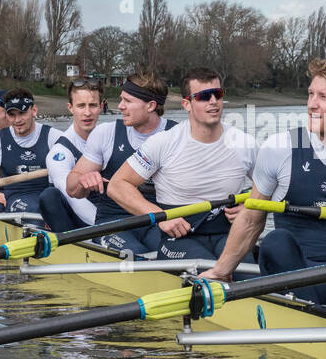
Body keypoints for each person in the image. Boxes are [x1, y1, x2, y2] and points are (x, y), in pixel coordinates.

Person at [201, 58, 326, 303]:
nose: (311, 105)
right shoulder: (280, 148)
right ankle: (318, 315)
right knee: (275, 242)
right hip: (295, 273)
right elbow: (251, 219)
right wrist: (220, 272)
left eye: (323, 97)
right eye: (311, 94)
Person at [107, 67, 255, 261]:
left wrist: (252, 206)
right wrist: (160, 217)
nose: (213, 102)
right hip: (178, 238)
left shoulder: (244, 143)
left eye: (217, 94)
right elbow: (117, 185)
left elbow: (276, 186)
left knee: (249, 277)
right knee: (211, 272)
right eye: (204, 96)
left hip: (227, 234)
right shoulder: (164, 142)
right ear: (187, 104)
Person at [60, 73, 177, 253]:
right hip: (114, 222)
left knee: (171, 253)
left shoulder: (177, 135)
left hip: (158, 222)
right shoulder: (106, 133)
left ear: (151, 106)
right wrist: (84, 180)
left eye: (128, 101)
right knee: (136, 254)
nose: (120, 106)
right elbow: (71, 187)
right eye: (121, 100)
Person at [0, 88, 67, 215]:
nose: (17, 120)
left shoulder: (54, 137)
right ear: (6, 114)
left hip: (49, 196)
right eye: (12, 114)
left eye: (22, 113)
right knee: (35, 209)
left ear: (34, 110)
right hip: (17, 198)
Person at [36, 78, 104, 234]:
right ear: (70, 108)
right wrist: (107, 227)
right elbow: (71, 196)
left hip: (106, 213)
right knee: (49, 196)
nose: (87, 113)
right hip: (77, 219)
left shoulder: (110, 137)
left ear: (101, 106)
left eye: (92, 105)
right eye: (81, 106)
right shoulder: (60, 152)